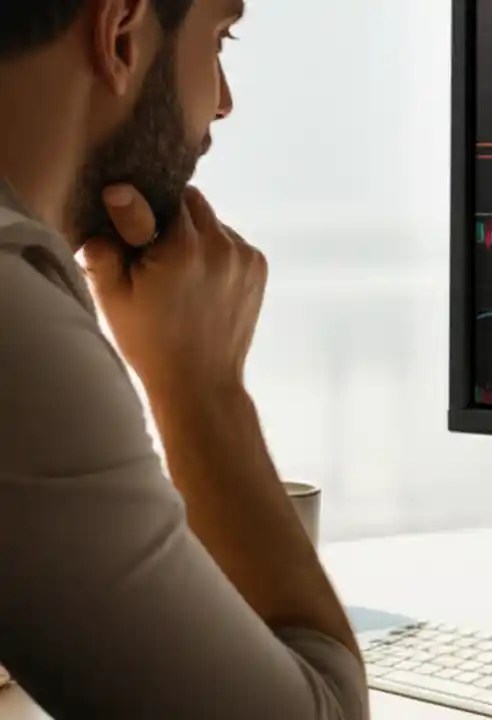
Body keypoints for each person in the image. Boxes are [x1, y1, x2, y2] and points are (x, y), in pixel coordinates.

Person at [0, 1, 368, 717]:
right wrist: (201, 385)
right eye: (220, 37)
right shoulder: (13, 327)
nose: (224, 103)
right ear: (121, 32)